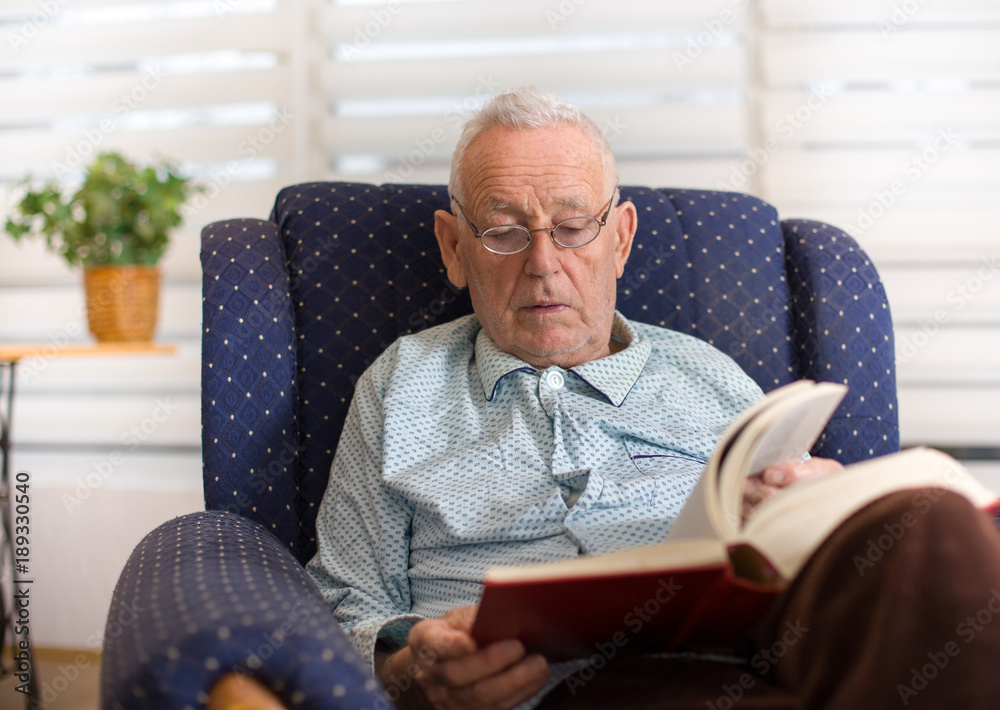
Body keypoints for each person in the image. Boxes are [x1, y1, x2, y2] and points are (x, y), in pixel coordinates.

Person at [299, 87, 1000, 710]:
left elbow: (783, 555)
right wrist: (407, 662)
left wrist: (825, 510)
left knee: (931, 525)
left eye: (574, 228)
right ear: (455, 248)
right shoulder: (400, 386)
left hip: (757, 652)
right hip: (555, 690)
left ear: (622, 238)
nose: (544, 265)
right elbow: (343, 598)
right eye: (506, 231)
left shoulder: (709, 374)